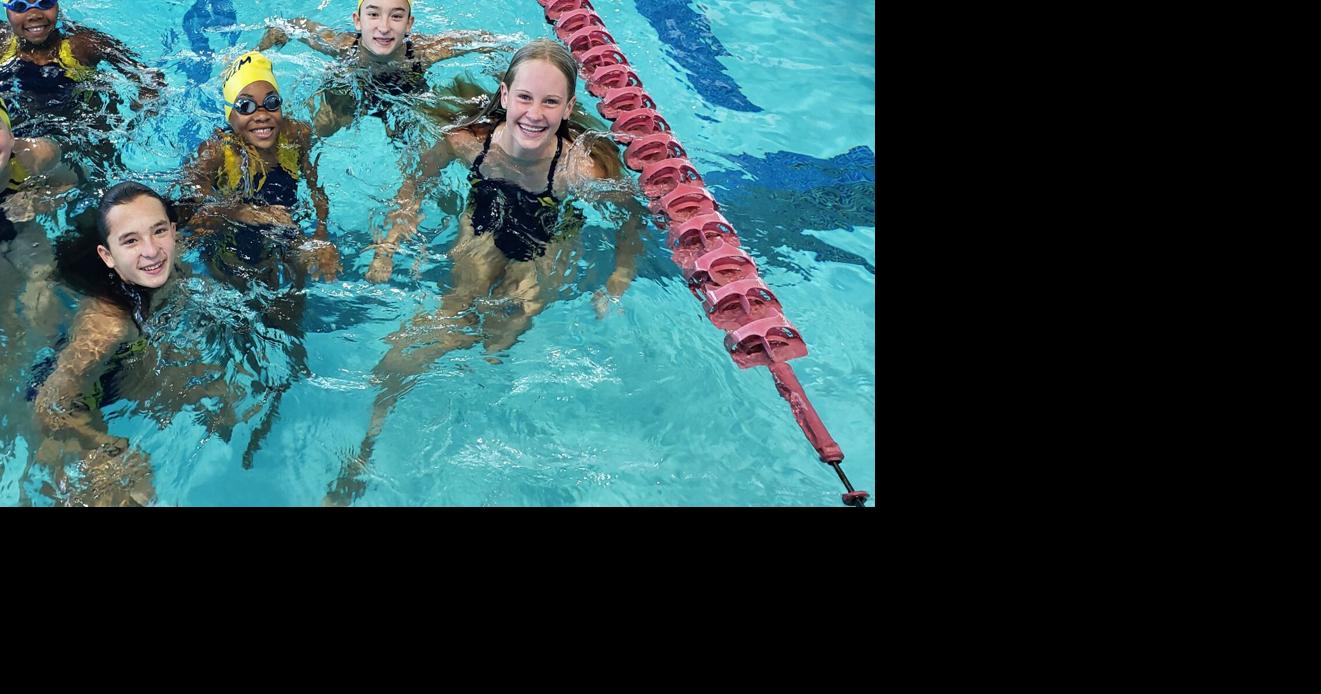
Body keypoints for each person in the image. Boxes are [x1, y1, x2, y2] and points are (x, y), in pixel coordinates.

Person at [325, 38, 644, 504]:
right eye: (525, 98)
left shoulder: (579, 171)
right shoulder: (467, 142)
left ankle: (486, 391)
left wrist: (621, 274)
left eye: (551, 102)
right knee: (447, 318)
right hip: (482, 217)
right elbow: (415, 181)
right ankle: (369, 441)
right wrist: (389, 244)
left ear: (569, 107)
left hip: (552, 227)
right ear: (503, 95)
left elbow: (631, 215)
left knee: (511, 320)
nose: (535, 113)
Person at [177, 51, 340, 468]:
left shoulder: (297, 135)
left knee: (289, 332)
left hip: (284, 243)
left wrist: (322, 237)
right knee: (234, 329)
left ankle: (276, 404)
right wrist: (243, 212)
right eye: (245, 106)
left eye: (271, 102)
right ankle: (225, 403)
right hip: (230, 250)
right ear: (230, 115)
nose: (262, 115)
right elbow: (189, 212)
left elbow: (317, 190)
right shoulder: (215, 153)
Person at [30, 182, 180, 506]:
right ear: (108, 256)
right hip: (74, 402)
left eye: (159, 231)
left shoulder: (171, 273)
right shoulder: (109, 326)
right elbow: (49, 406)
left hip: (113, 376)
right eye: (131, 241)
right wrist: (104, 443)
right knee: (130, 493)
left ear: (174, 231)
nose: (152, 250)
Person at [255, 0, 500, 139]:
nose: (383, 27)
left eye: (396, 16)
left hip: (404, 97)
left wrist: (501, 75)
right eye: (373, 14)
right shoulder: (342, 45)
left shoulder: (423, 52)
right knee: (322, 131)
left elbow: (485, 40)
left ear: (409, 24)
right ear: (357, 20)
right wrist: (256, 56)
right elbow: (292, 25)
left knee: (408, 140)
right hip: (351, 93)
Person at [0, 0, 164, 138]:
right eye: (19, 5)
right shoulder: (3, 41)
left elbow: (147, 75)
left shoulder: (82, 45)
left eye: (45, 2)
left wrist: (145, 101)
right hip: (14, 132)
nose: (35, 14)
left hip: (74, 132)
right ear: (6, 10)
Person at [1, 93, 76, 368]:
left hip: (23, 230)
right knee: (6, 309)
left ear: (10, 133)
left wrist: (36, 200)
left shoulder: (31, 158)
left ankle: (64, 356)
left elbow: (69, 182)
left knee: (43, 294)